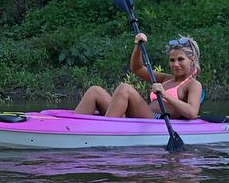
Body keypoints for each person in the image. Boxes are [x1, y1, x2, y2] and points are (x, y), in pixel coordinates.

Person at [75, 33, 203, 119]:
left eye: (180, 59)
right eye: (172, 60)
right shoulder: (166, 78)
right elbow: (137, 68)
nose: (175, 64)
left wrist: (164, 94)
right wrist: (138, 47)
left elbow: (192, 112)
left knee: (124, 89)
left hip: (156, 122)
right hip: (142, 117)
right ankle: (70, 127)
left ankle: (104, 131)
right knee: (95, 91)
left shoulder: (193, 84)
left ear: (192, 60)